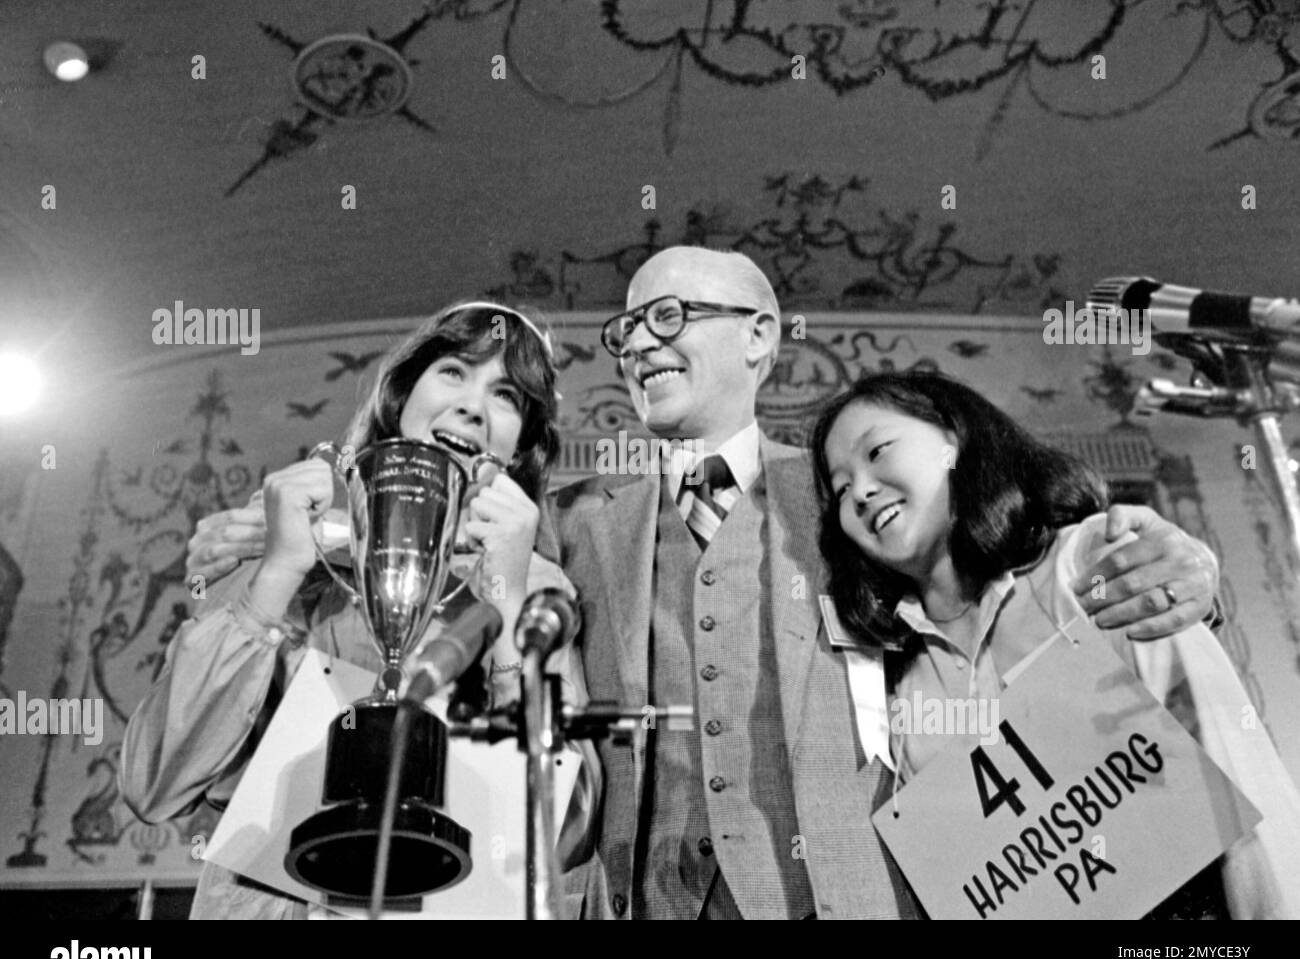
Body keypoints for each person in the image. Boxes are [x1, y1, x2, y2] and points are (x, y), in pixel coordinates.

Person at [186, 247, 1223, 919]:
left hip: (861, 894)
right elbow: (417, 518)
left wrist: (1173, 567)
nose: (640, 343)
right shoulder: (566, 516)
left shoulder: (858, 485)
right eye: (627, 330)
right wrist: (259, 536)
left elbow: (1022, 556)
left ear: (760, 337)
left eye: (670, 313)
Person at [121, 301, 594, 919]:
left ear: (520, 445)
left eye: (505, 395)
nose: (474, 404)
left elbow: (562, 836)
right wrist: (280, 572)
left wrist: (504, 609)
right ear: (401, 397)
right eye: (453, 371)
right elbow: (154, 782)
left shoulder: (535, 586)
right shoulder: (290, 548)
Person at [809, 371, 1300, 918]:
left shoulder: (1090, 562)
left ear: (957, 440)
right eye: (841, 489)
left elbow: (1236, 774)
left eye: (877, 451)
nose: (862, 491)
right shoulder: (898, 686)